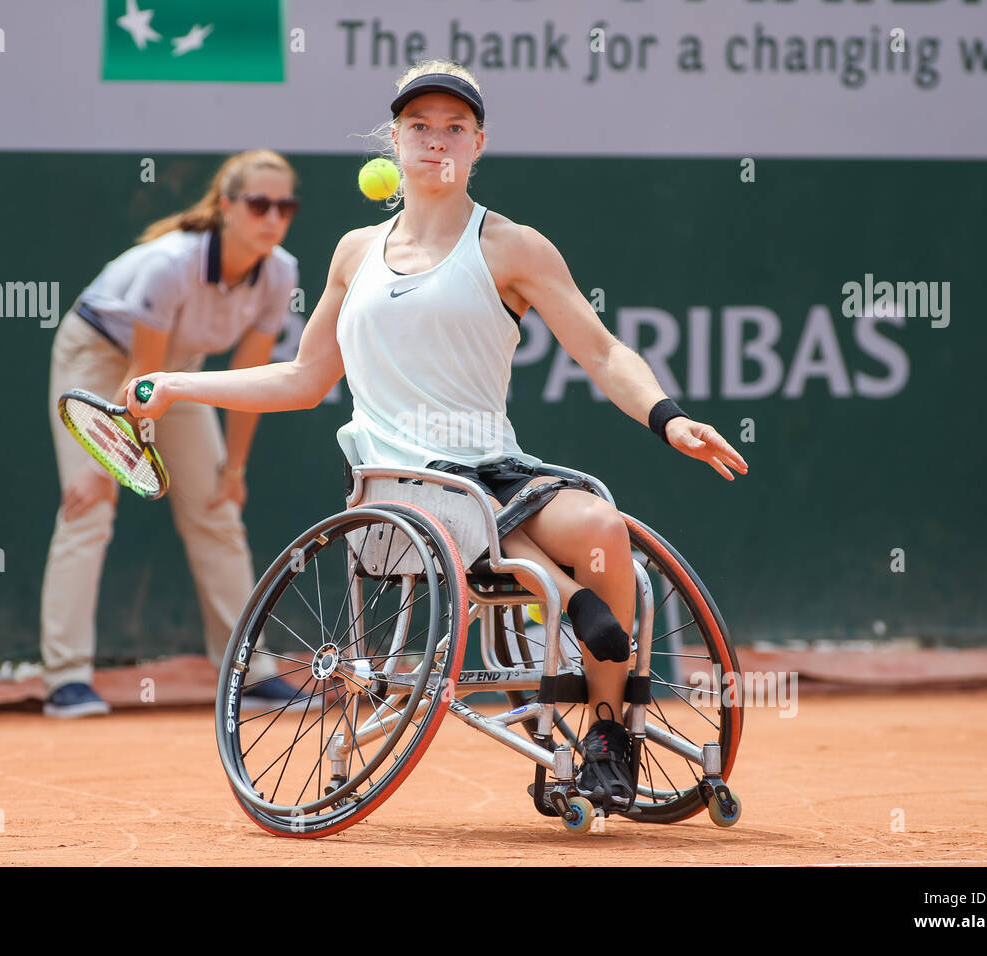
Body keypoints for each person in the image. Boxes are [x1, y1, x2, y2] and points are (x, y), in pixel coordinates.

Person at [124, 62, 748, 808]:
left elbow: (606, 351)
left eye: (455, 127)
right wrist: (179, 386)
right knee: (494, 528)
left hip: (496, 468)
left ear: (477, 143)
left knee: (602, 527)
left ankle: (610, 734)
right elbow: (302, 379)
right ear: (394, 140)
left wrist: (668, 415)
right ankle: (571, 602)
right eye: (419, 126)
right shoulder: (353, 253)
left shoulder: (513, 247)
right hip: (397, 487)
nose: (436, 140)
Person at [40, 149, 302, 717]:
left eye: (285, 206)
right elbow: (137, 380)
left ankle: (249, 671)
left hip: (174, 373)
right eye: (259, 204)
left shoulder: (281, 272)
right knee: (89, 507)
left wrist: (234, 469)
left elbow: (248, 381)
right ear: (227, 206)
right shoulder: (170, 265)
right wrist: (99, 464)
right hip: (102, 360)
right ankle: (66, 679)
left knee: (218, 509)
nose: (273, 218)